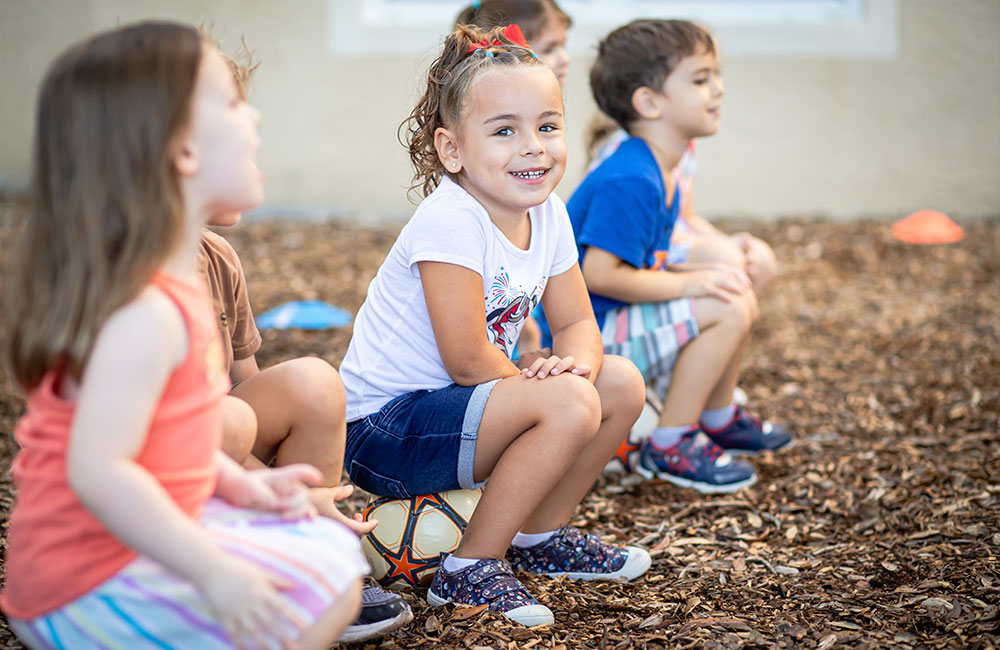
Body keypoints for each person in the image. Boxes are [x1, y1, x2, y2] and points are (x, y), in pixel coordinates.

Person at [0, 21, 367, 649]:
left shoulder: (182, 293)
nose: (252, 116)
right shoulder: (143, 313)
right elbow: (101, 471)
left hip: (121, 549)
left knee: (327, 557)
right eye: (231, 102)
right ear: (183, 152)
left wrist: (247, 486)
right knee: (323, 582)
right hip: (83, 585)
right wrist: (214, 572)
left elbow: (176, 445)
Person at [339, 24, 651, 627]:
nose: (533, 146)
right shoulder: (451, 219)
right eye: (504, 130)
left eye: (548, 125)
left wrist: (575, 369)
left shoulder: (550, 213)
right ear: (453, 150)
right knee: (568, 405)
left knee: (619, 384)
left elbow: (579, 321)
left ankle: (539, 535)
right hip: (387, 426)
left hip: (464, 406)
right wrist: (554, 393)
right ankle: (469, 570)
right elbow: (463, 356)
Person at [200, 44, 413, 643]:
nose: (258, 122)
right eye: (237, 115)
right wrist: (277, 493)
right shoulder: (136, 294)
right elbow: (167, 439)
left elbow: (245, 394)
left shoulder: (216, 256)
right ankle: (299, 546)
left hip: (218, 442)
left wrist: (278, 480)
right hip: (164, 476)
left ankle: (314, 544)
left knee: (313, 380)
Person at [568, 19, 793, 494]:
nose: (719, 88)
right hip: (583, 344)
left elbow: (655, 255)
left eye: (716, 75)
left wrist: (713, 268)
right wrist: (694, 284)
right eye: (700, 79)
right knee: (726, 304)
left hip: (612, 322)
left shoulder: (661, 165)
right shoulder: (632, 176)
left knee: (732, 288)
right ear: (648, 102)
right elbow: (599, 274)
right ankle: (669, 444)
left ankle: (716, 416)